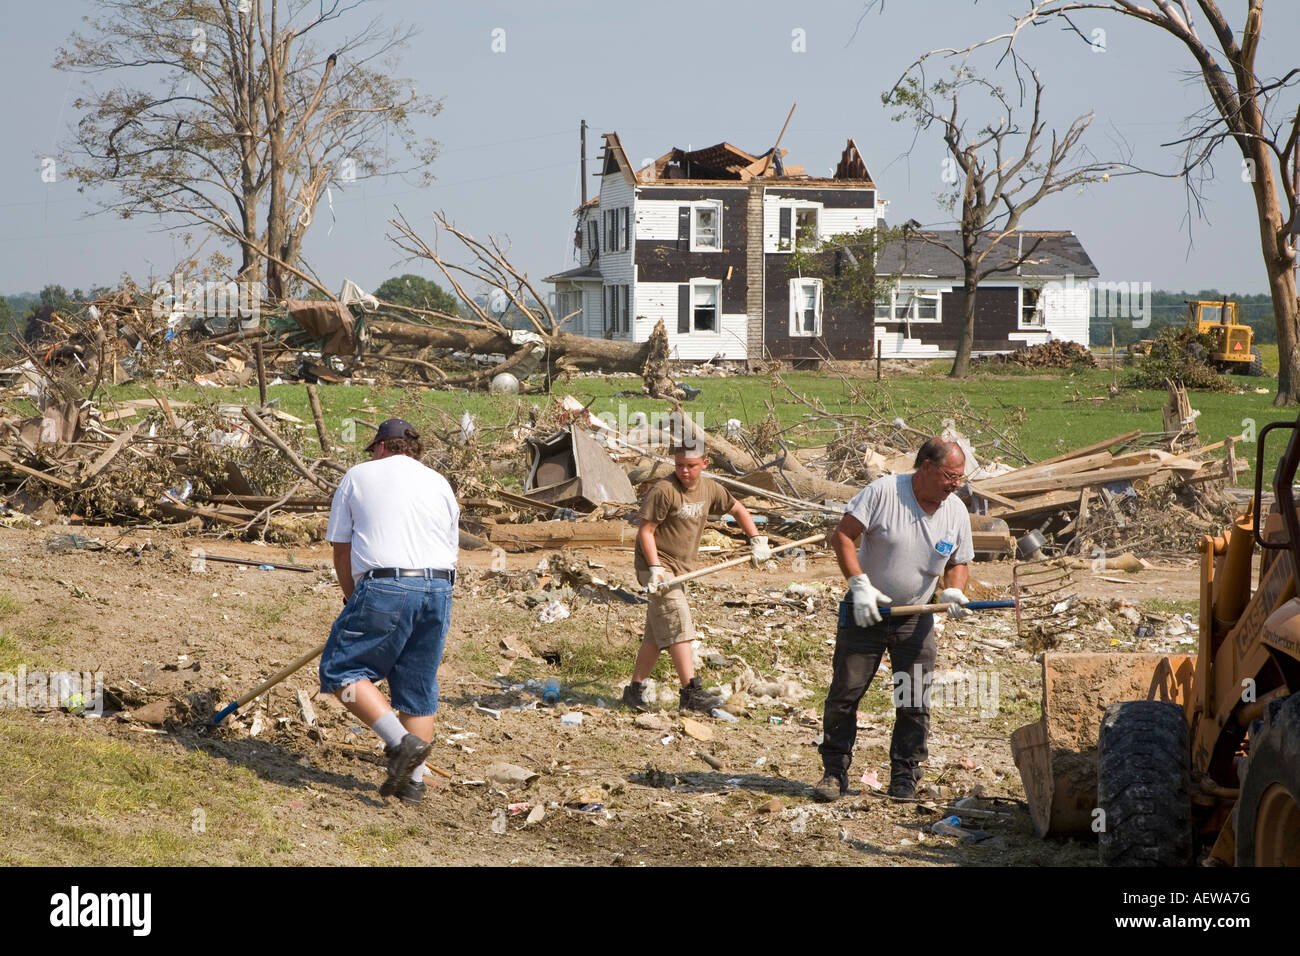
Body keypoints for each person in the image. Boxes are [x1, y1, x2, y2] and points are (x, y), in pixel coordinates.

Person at [813, 437, 975, 802]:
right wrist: (859, 585)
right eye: (950, 476)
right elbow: (842, 535)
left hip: (915, 616)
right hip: (865, 612)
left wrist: (954, 590)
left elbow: (958, 562)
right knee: (845, 694)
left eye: (960, 479)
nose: (954, 484)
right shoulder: (883, 493)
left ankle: (905, 775)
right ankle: (834, 772)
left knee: (913, 697)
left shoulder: (955, 512)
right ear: (927, 468)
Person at [319, 418, 460, 805]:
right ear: (413, 449)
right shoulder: (439, 483)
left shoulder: (358, 475)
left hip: (386, 584)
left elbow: (342, 550)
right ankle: (413, 784)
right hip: (439, 587)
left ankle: (401, 743)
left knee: (339, 671)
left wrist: (353, 601)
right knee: (417, 686)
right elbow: (450, 547)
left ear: (381, 446)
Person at [622, 441, 771, 713]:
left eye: (691, 466)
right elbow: (645, 531)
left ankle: (634, 691)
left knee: (656, 637)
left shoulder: (710, 488)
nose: (684, 471)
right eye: (679, 465)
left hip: (681, 570)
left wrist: (757, 540)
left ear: (705, 464)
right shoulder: (664, 490)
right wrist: (655, 568)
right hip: (656, 568)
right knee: (679, 625)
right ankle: (690, 692)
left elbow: (737, 508)